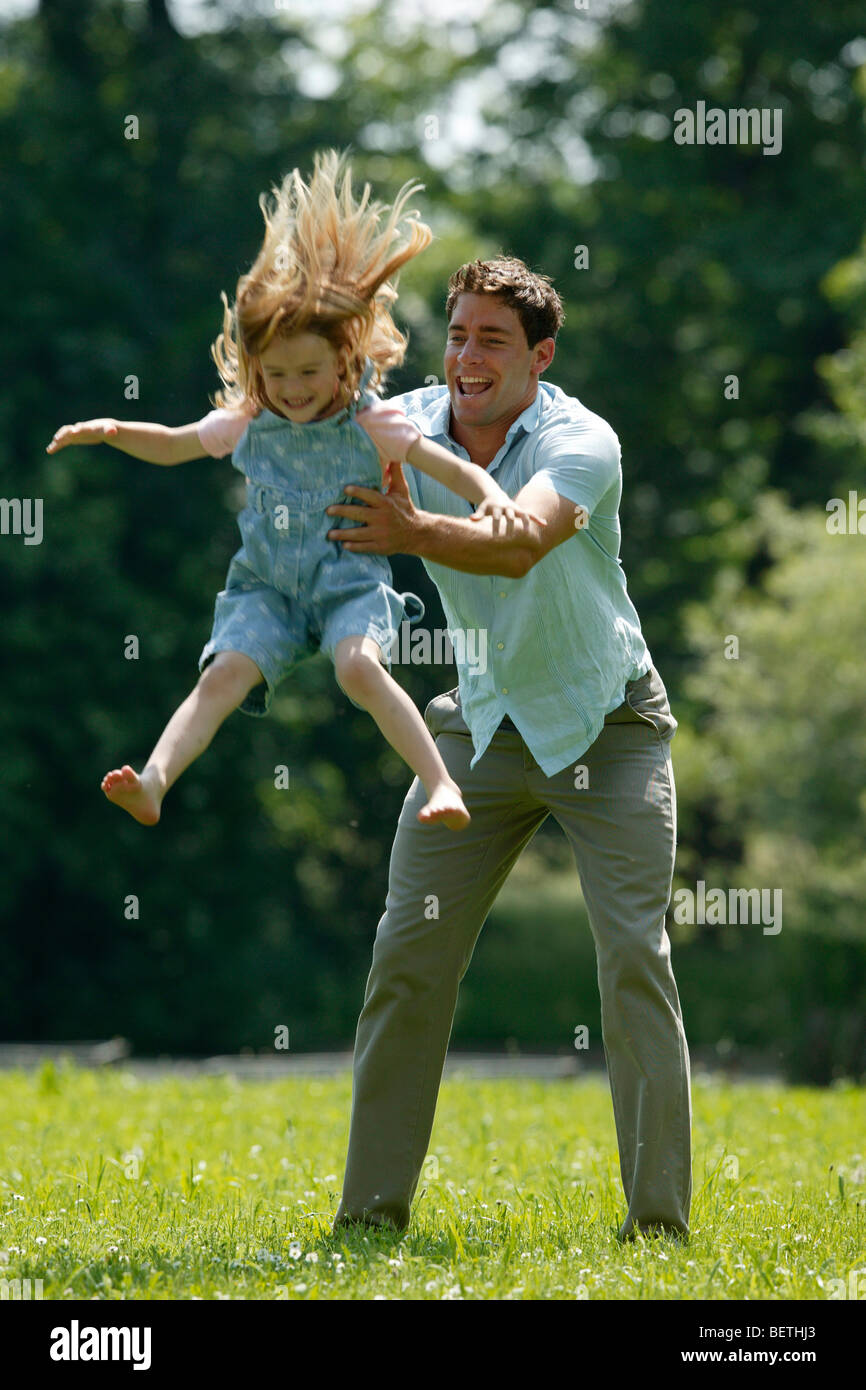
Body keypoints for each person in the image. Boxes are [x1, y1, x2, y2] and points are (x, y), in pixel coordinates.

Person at [326, 256, 692, 1242]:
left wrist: (409, 528)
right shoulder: (407, 418)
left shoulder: (582, 442)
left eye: (491, 340)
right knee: (406, 957)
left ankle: (656, 1229)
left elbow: (518, 541)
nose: (466, 357)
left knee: (632, 958)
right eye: (456, 335)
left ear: (539, 356)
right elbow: (300, 414)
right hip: (481, 728)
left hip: (607, 728)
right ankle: (367, 1219)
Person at [46, 152, 544, 832]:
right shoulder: (245, 421)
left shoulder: (370, 420)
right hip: (267, 592)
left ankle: (440, 784)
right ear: (256, 371)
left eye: (309, 371)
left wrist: (489, 491)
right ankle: (154, 781)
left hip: (348, 582)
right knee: (221, 675)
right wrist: (111, 429)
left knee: (359, 673)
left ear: (345, 357)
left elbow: (443, 464)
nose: (293, 389)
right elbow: (170, 443)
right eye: (276, 374)